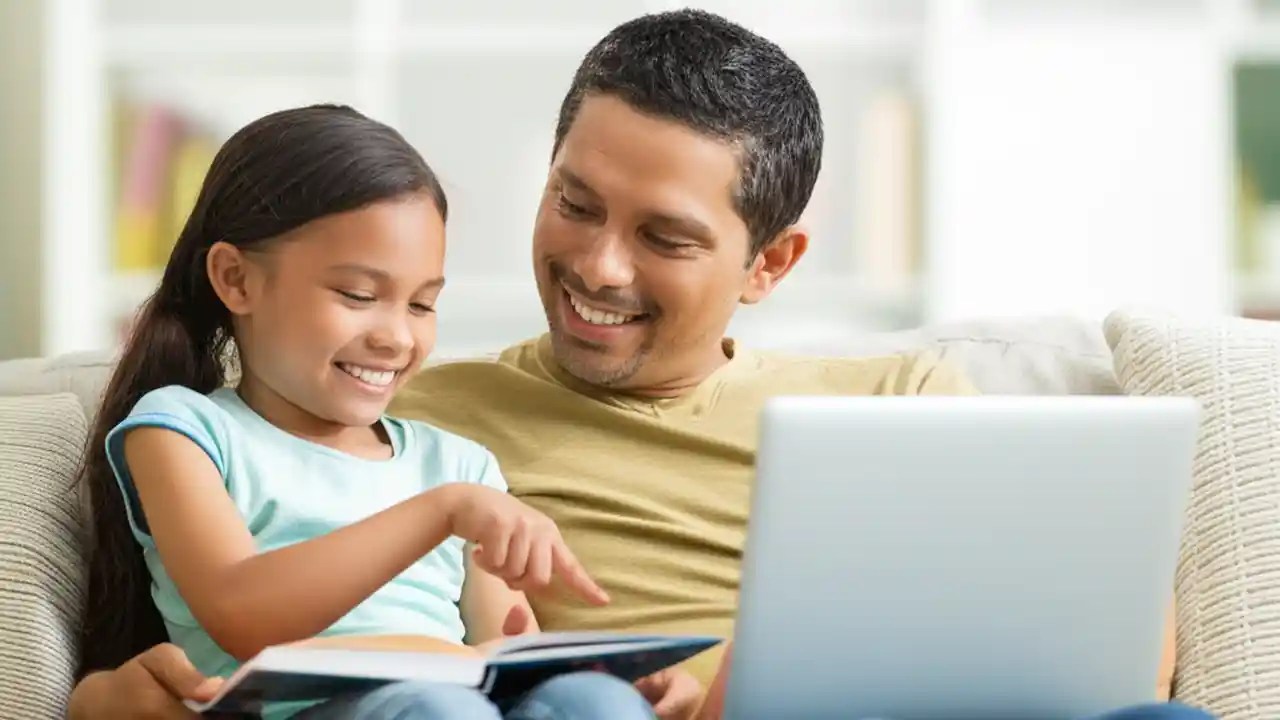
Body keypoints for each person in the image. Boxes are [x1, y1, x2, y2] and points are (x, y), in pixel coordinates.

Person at [68, 10, 1212, 720]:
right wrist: (108, 692)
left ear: (769, 264)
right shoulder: (406, 414)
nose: (595, 267)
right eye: (573, 204)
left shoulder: (901, 403)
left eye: (662, 238)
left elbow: (1113, 644)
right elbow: (244, 573)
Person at [69, 104, 692, 720]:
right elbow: (244, 616)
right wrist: (440, 513)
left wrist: (609, 671)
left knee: (591, 701)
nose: (397, 337)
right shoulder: (184, 431)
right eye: (359, 295)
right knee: (439, 708)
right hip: (322, 711)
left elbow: (506, 650)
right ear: (236, 279)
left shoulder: (458, 465)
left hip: (452, 702)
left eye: (421, 305)